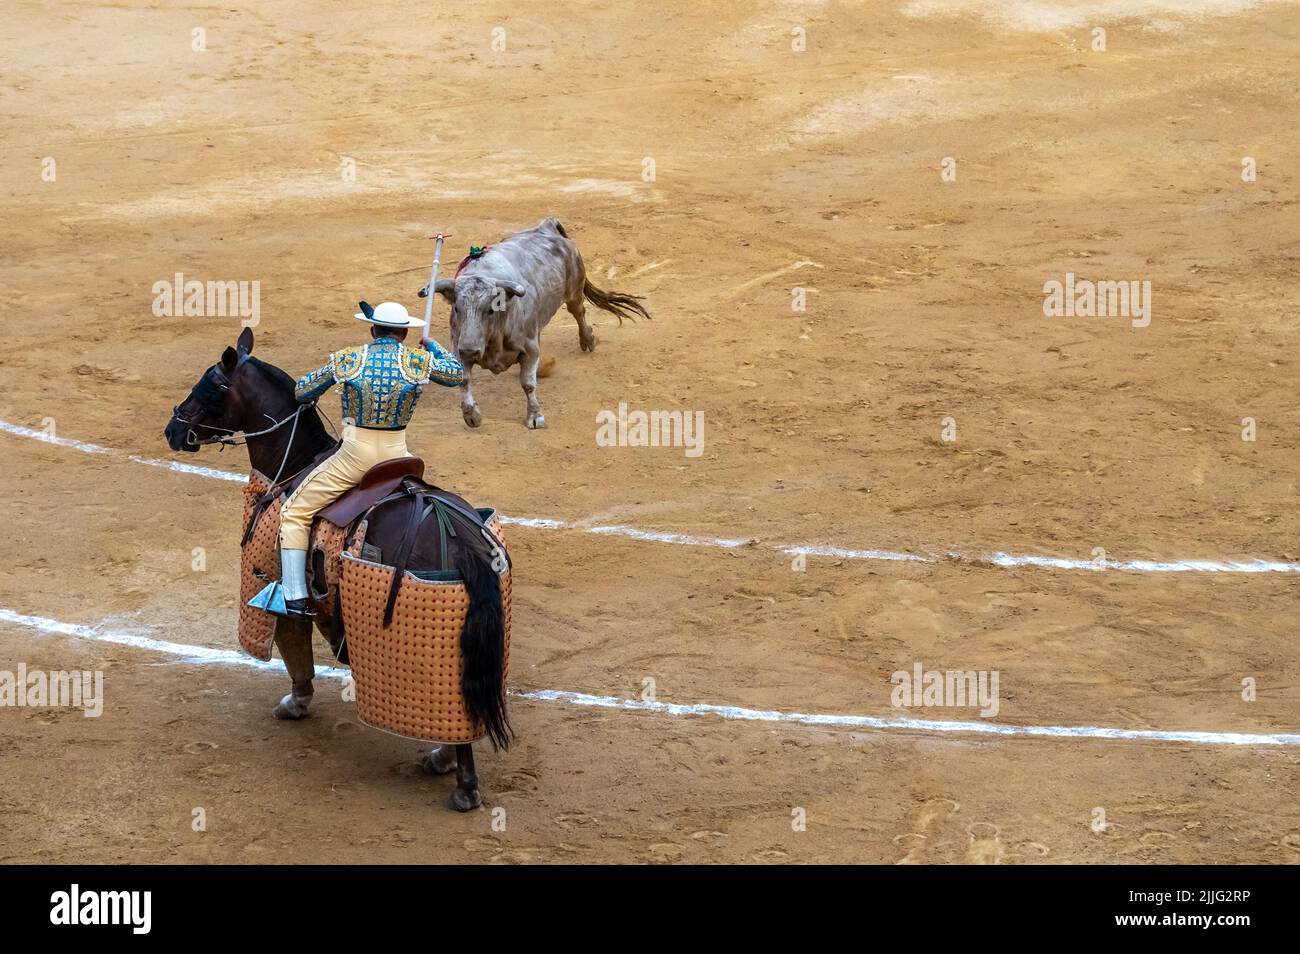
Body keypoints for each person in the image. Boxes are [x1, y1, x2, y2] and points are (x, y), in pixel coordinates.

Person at [250, 300, 465, 617]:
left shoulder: (349, 359)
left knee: (294, 511)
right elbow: (456, 375)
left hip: (354, 456)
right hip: (398, 455)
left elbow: (303, 391)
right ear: (404, 333)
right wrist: (433, 347)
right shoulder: (417, 361)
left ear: (373, 329)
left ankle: (294, 597)